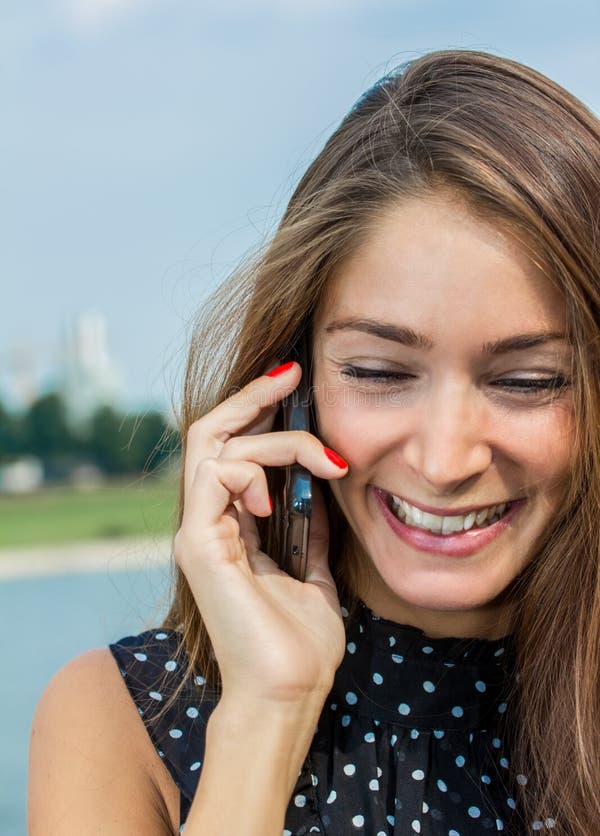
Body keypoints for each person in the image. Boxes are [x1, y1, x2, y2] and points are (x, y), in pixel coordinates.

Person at [29, 50, 600, 835]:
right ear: (295, 387)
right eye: (378, 371)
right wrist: (267, 712)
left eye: (528, 381)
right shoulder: (119, 721)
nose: (444, 459)